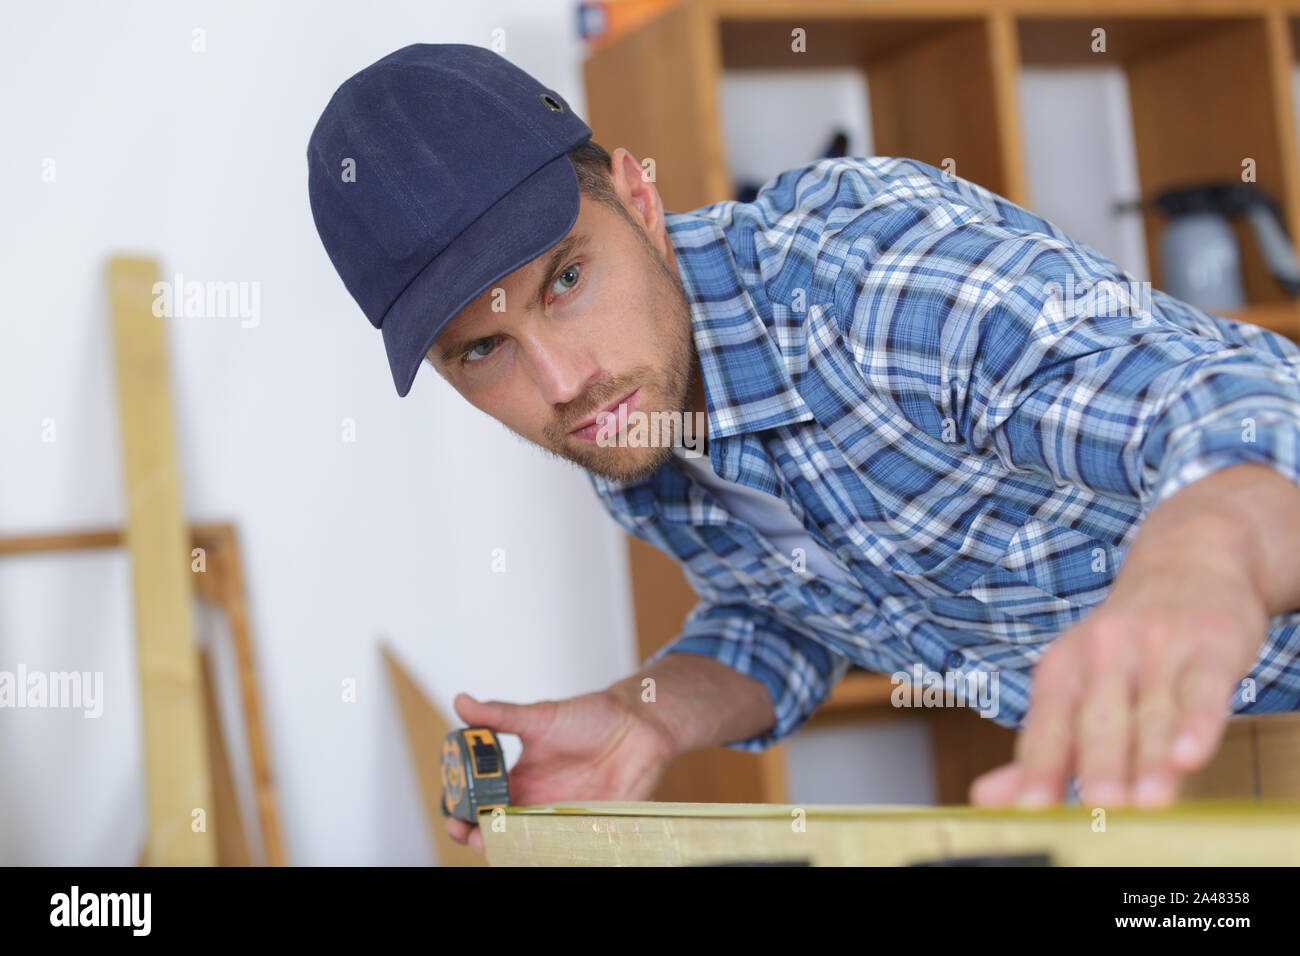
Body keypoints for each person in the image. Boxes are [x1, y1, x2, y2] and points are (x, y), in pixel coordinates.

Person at [308, 44, 1300, 853]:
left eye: (565, 279)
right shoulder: (632, 421)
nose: (560, 380)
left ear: (639, 202)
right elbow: (809, 610)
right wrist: (649, 712)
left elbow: (1231, 401)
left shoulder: (866, 280)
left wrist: (1202, 554)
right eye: (483, 349)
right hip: (1181, 785)